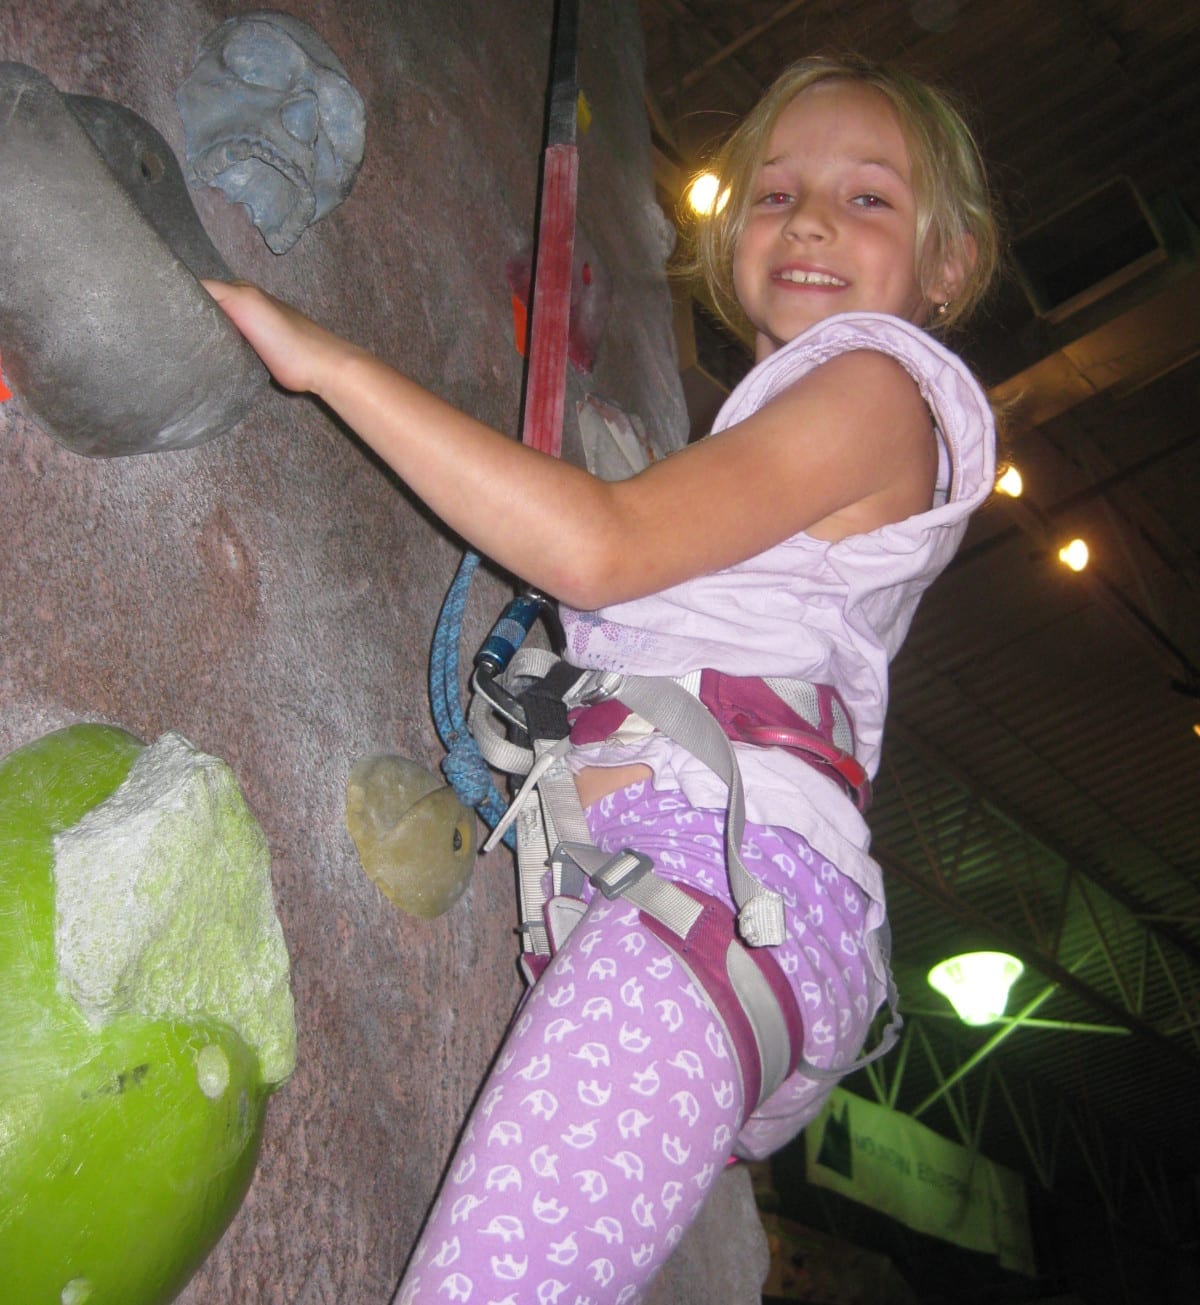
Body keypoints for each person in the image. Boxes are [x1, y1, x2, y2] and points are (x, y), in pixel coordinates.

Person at [208, 51, 1000, 1305]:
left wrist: (326, 363)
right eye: (776, 191)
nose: (807, 221)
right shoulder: (793, 423)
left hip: (710, 903)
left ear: (949, 264)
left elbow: (600, 546)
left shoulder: (876, 388)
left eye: (869, 200)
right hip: (690, 892)